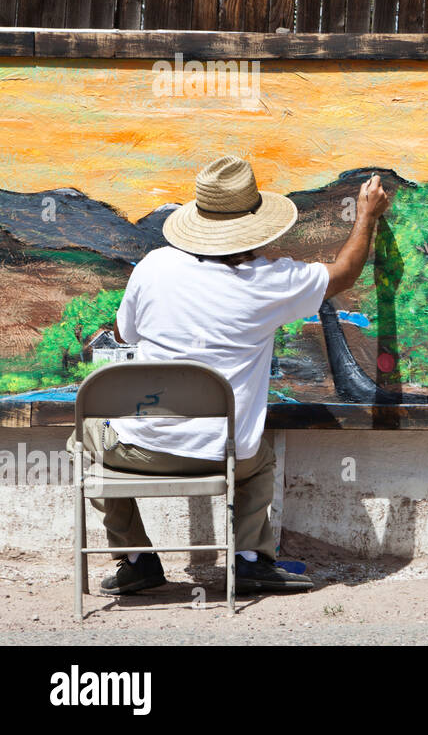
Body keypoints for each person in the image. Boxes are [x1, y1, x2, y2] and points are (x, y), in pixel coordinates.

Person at [71, 155, 390, 595]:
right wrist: (367, 215)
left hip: (138, 450)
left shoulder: (153, 267)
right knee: (259, 457)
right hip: (225, 455)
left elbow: (124, 333)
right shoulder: (272, 281)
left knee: (84, 442)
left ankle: (136, 558)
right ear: (257, 226)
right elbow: (344, 273)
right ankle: (250, 559)